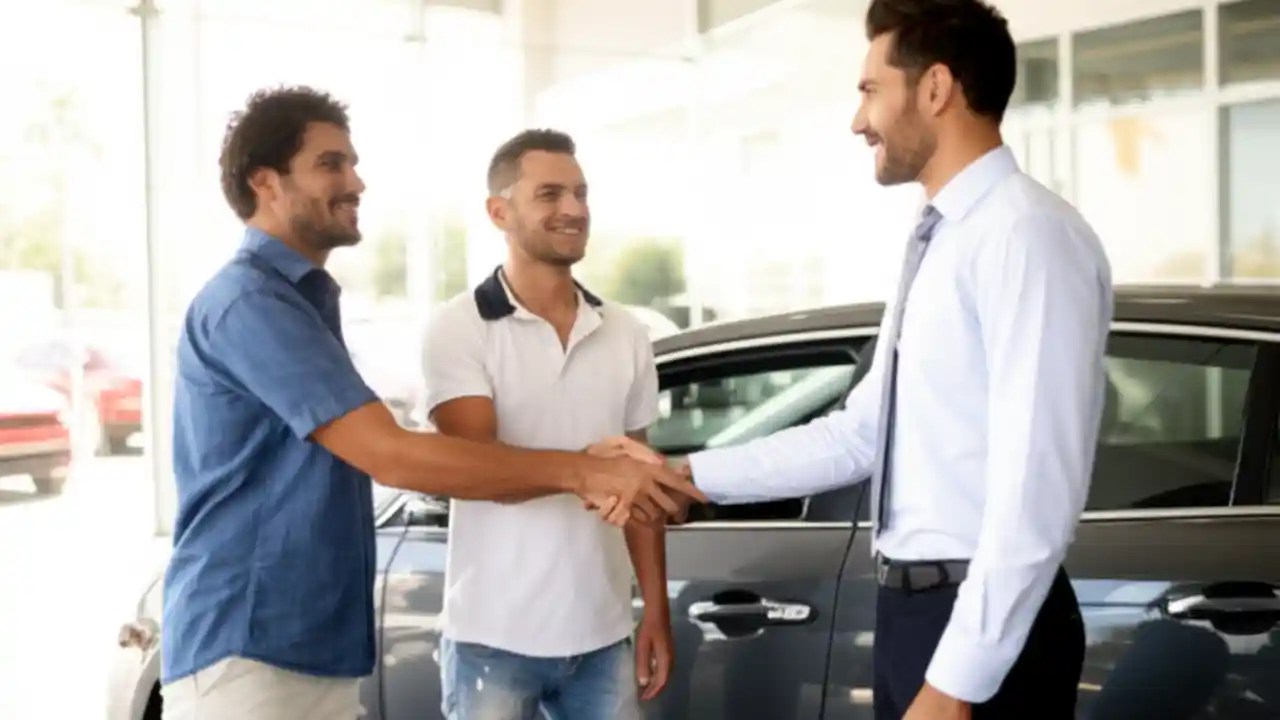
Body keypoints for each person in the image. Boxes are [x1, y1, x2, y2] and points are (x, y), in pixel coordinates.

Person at [159, 87, 702, 720]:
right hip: (248, 648)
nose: (356, 181)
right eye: (331, 164)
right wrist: (585, 469)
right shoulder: (250, 304)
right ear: (266, 182)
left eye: (352, 163)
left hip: (308, 650)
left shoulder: (302, 303)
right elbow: (391, 454)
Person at [673, 1, 1113, 718]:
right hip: (917, 614)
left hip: (977, 627)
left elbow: (1037, 485)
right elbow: (857, 434)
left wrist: (956, 680)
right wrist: (686, 475)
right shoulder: (942, 237)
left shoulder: (1026, 235)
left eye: (870, 90)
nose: (858, 121)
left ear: (935, 89)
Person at [423, 129, 672, 720]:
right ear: (499, 211)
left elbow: (639, 484)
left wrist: (654, 611)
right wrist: (586, 470)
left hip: (603, 636)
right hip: (491, 639)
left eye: (581, 194)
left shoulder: (627, 333)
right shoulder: (458, 328)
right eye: (551, 194)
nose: (574, 210)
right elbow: (476, 472)